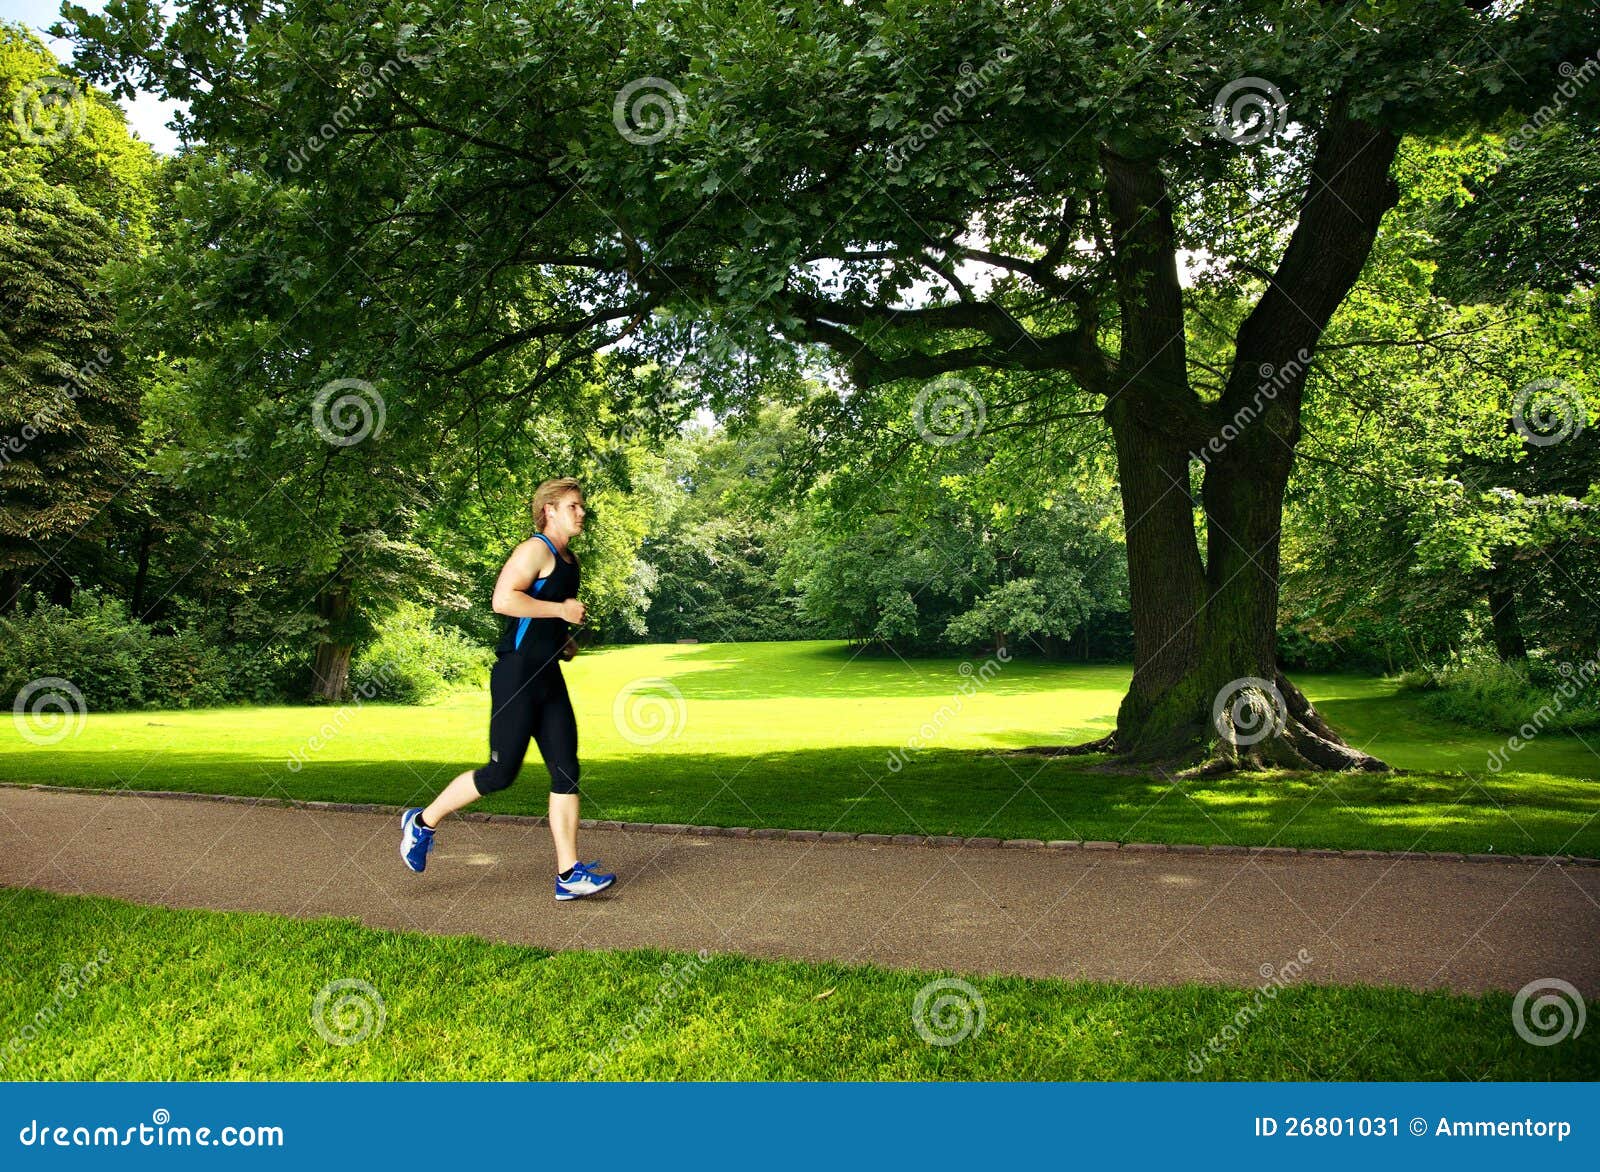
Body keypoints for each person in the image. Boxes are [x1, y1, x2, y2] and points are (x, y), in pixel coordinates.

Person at [400, 477, 615, 901]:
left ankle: (568, 874)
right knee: (501, 773)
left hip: (548, 675)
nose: (581, 512)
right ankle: (422, 822)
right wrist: (560, 610)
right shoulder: (535, 550)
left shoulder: (569, 562)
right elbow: (503, 600)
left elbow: (537, 620)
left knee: (566, 769)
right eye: (573, 505)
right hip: (517, 675)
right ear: (549, 510)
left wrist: (562, 639)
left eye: (581, 506)